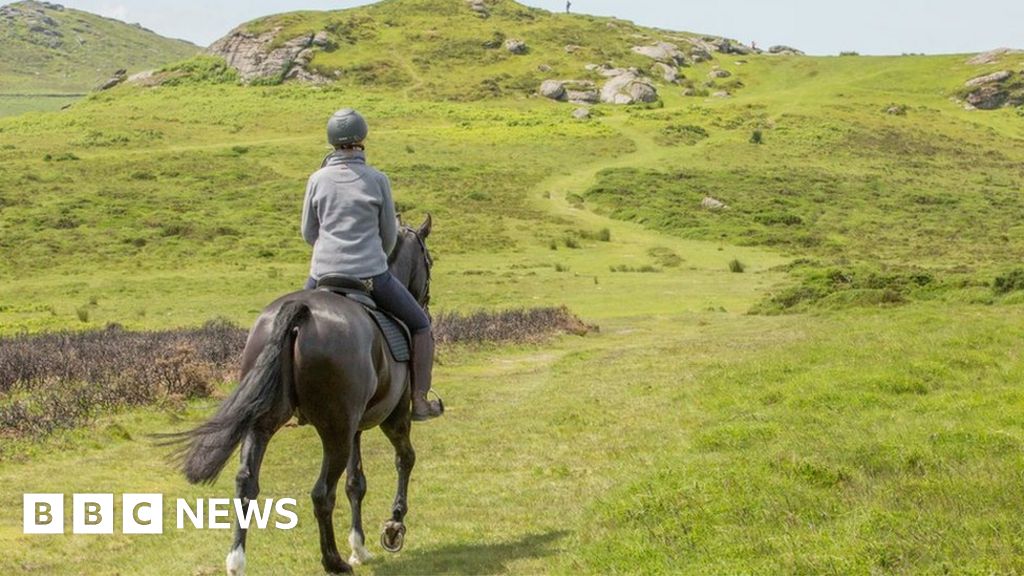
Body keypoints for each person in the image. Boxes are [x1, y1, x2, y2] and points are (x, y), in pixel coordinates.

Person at [301, 108, 444, 421]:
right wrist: (368, 256)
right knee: (420, 324)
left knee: (292, 325)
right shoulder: (378, 180)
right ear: (362, 139)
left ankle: (291, 400)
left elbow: (308, 232)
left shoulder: (316, 179)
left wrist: (331, 254)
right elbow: (389, 237)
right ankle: (419, 401)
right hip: (370, 275)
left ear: (331, 141)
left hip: (322, 274)